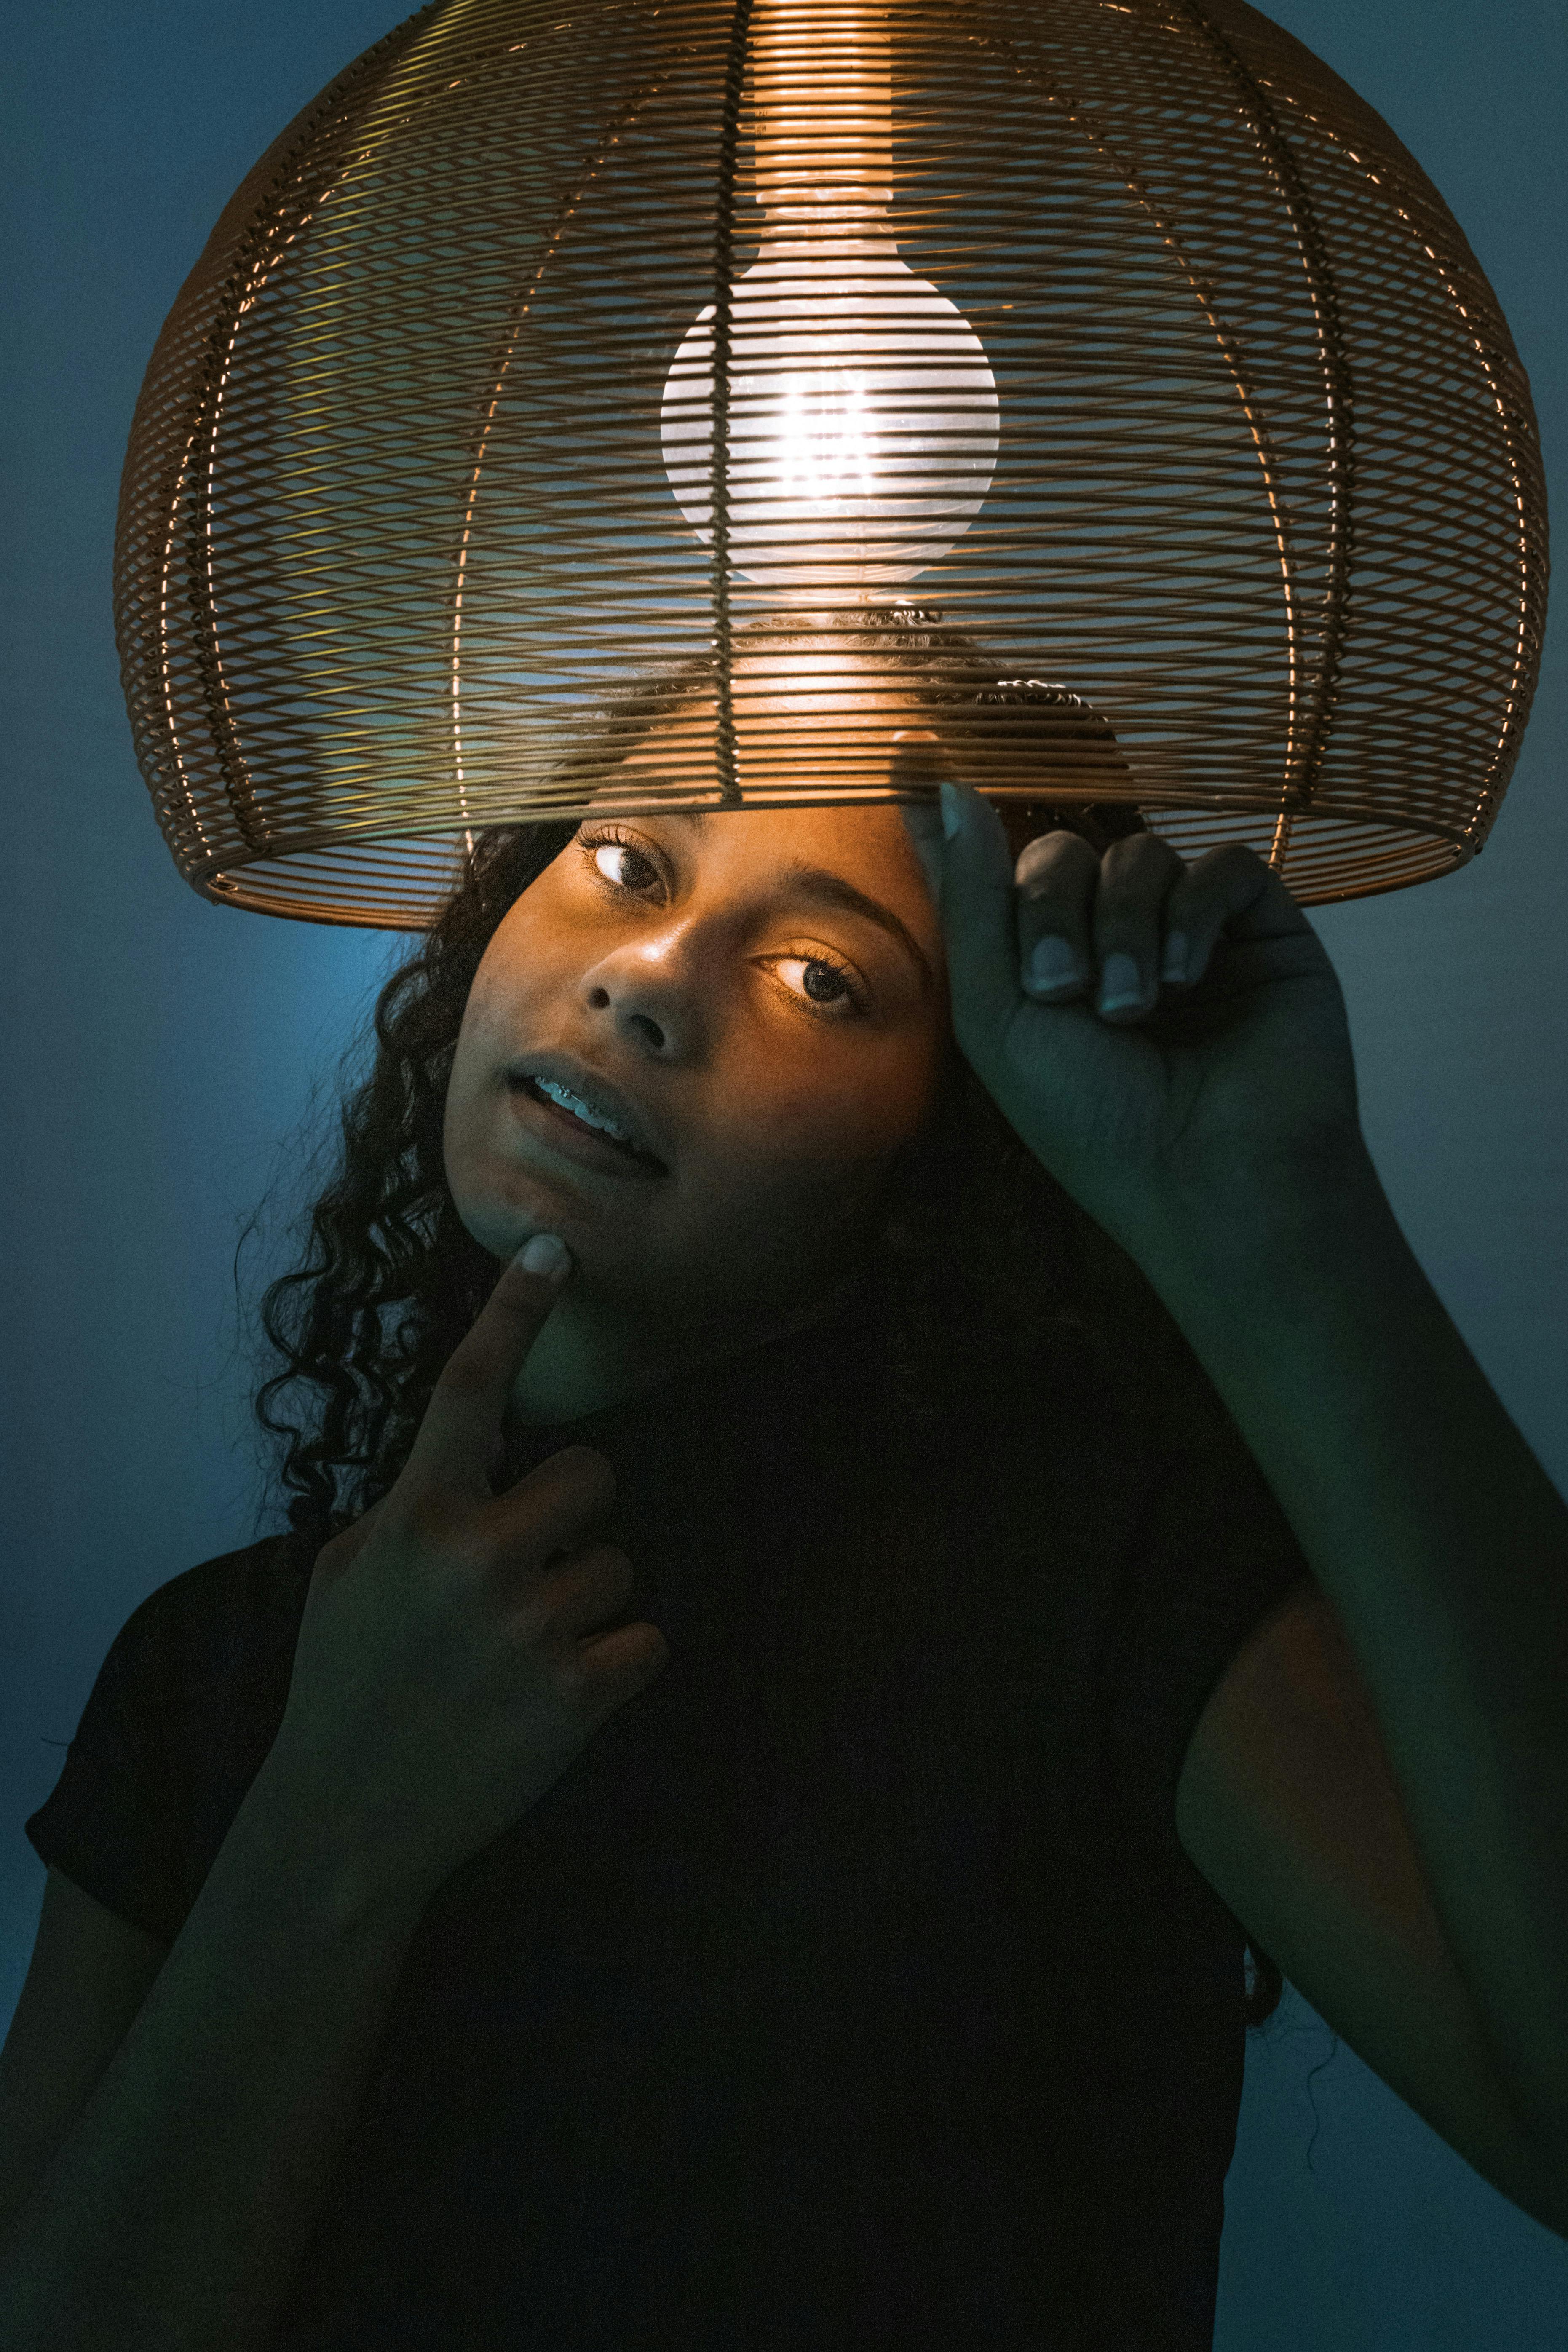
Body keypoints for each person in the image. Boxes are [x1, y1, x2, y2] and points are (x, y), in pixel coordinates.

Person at [0, 647, 1326, 2351]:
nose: (646, 978)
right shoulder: (212, 1667)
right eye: (627, 861)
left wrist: (1293, 1221)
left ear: (956, 1137)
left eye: (819, 974)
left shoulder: (1106, 1612)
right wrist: (325, 1826)